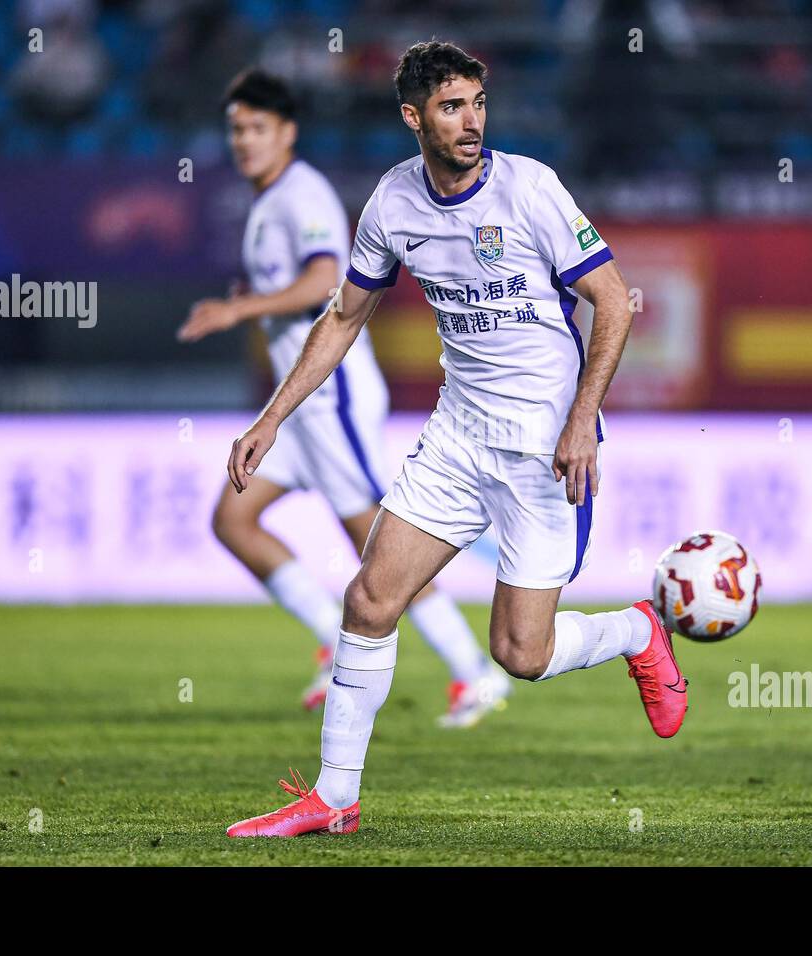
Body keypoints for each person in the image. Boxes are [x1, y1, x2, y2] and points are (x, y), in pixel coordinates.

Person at [223, 43, 688, 839]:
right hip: (458, 438)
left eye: (478, 103)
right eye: (451, 107)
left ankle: (638, 631)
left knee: (521, 654)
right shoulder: (393, 202)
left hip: (544, 447)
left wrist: (583, 420)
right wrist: (273, 417)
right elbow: (343, 317)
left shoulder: (529, 188)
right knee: (369, 599)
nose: (472, 121)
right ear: (414, 117)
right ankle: (335, 799)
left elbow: (613, 301)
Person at [180, 68, 508, 727]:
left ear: (287, 132)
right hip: (300, 408)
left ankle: (474, 670)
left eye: (257, 128)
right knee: (233, 520)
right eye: (237, 130)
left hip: (333, 397)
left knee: (379, 546)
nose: (244, 141)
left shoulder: (300, 195)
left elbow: (325, 282)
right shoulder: (268, 200)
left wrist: (239, 309)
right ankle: (334, 638)